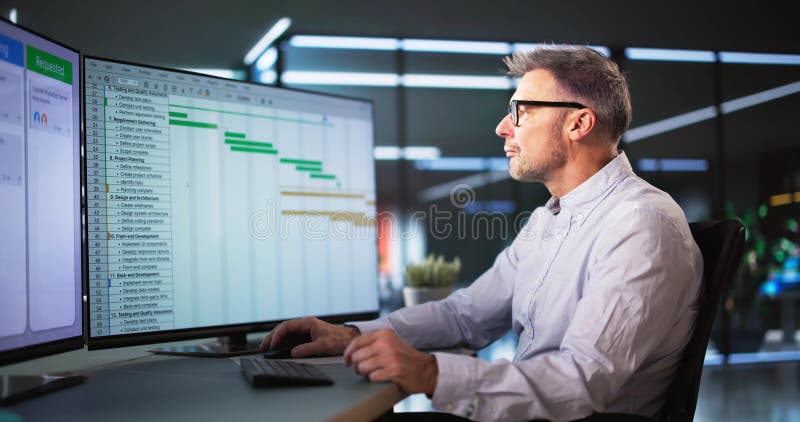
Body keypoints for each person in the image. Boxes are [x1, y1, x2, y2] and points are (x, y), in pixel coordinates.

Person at [260, 46, 703, 421]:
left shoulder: (641, 224)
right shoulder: (547, 220)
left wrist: (431, 373)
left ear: (578, 124)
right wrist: (353, 335)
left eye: (520, 111)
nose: (502, 128)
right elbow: (465, 316)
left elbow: (581, 381)